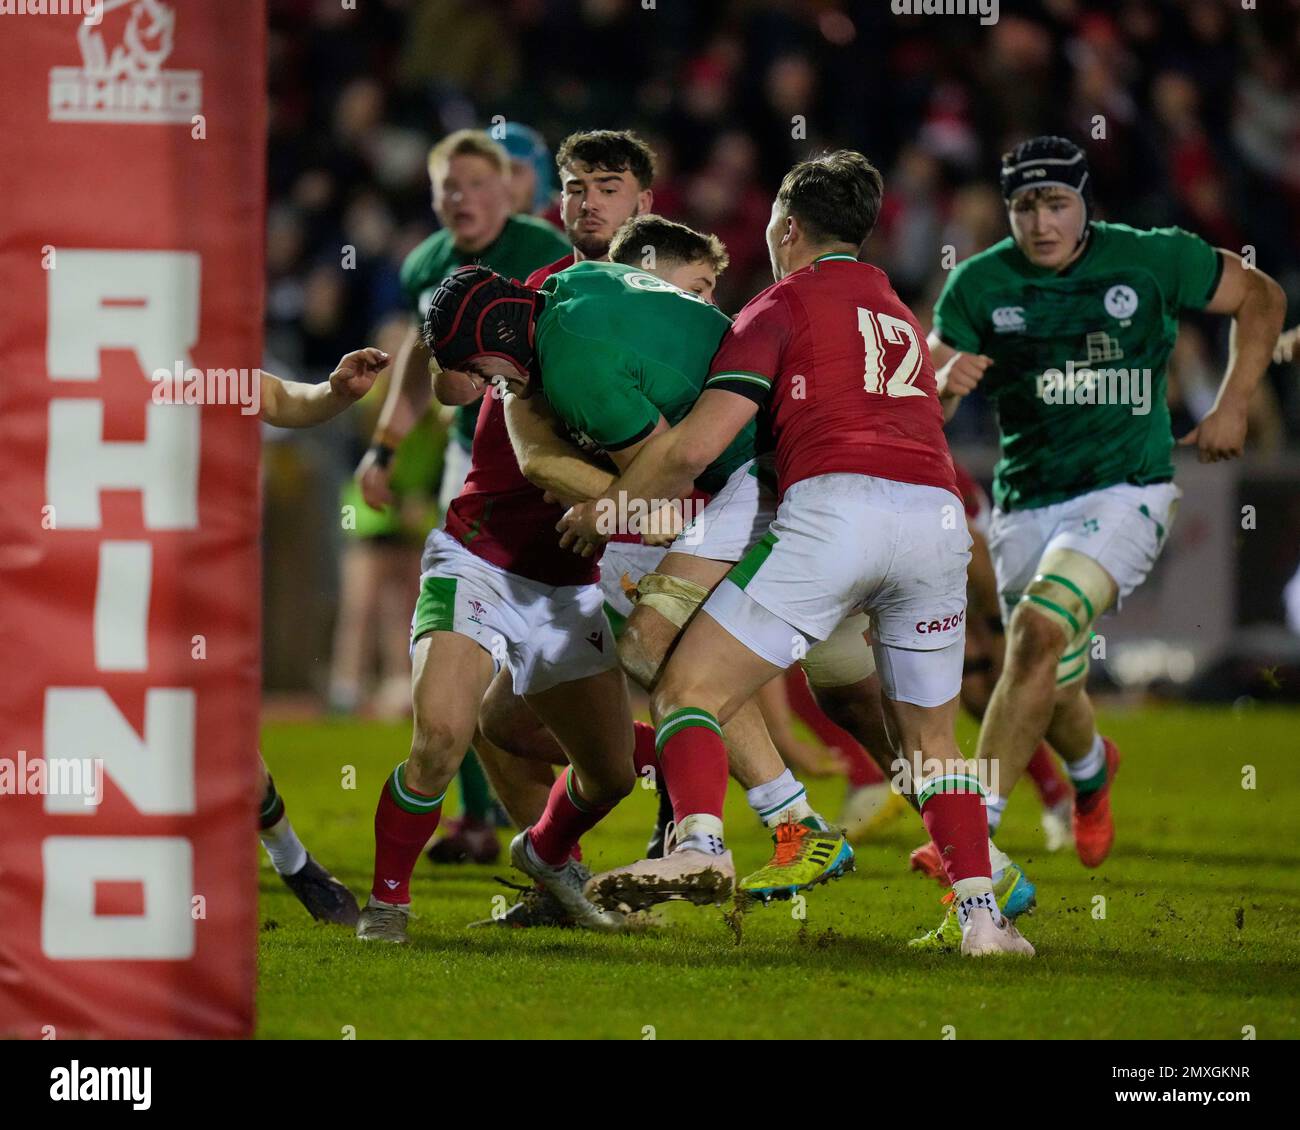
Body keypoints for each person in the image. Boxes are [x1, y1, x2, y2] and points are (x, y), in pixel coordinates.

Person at [558, 152, 1033, 956]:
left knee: (683, 687)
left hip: (834, 516)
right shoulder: (897, 311)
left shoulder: (776, 306)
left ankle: (702, 846)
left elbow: (695, 447)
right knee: (932, 741)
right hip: (936, 518)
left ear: (786, 226)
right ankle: (985, 917)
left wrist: (611, 509)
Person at [927, 135, 1286, 892]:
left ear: (1086, 202)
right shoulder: (978, 286)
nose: (1041, 221)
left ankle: (972, 831)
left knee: (1036, 632)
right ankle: (1092, 770)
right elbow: (928, 392)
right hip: (1026, 504)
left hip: (1128, 490)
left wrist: (1233, 405)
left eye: (1056, 202)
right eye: (1025, 205)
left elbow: (1261, 296)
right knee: (1048, 681)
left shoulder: (1152, 257)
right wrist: (944, 383)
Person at [355, 129, 570, 866]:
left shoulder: (542, 245)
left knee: (582, 653)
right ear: (434, 194)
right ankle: (481, 816)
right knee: (460, 649)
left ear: (509, 190)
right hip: (469, 466)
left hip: (555, 465)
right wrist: (385, 444)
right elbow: (420, 361)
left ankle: (664, 796)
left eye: (480, 185)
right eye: (450, 187)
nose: (464, 199)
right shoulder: (425, 262)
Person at [257, 347, 392, 926]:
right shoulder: (59, 373)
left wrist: (335, 391)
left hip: (173, 580)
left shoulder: (186, 367)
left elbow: (280, 399)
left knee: (210, 728)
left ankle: (291, 860)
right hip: (64, 580)